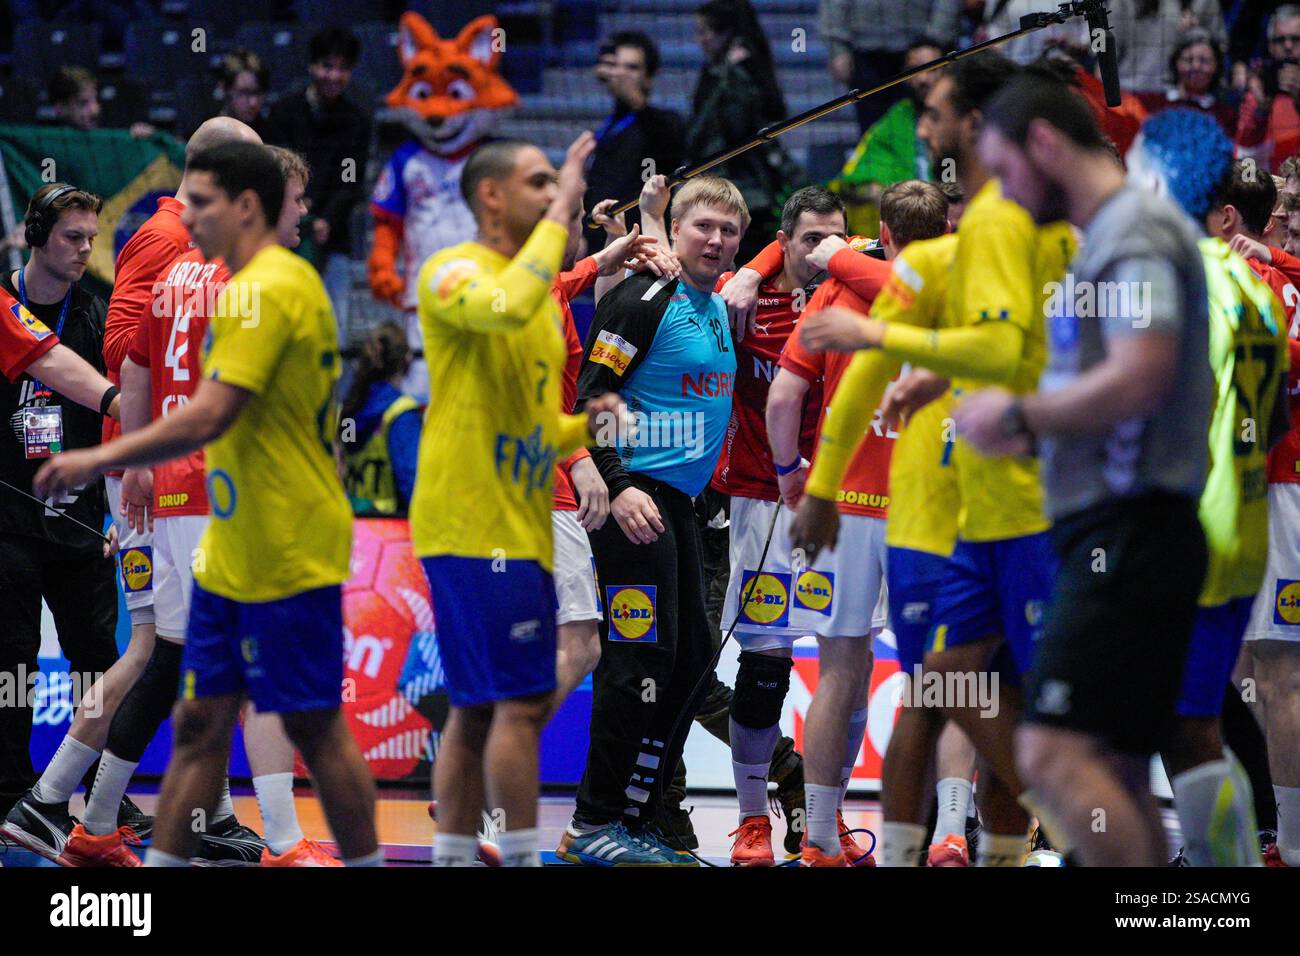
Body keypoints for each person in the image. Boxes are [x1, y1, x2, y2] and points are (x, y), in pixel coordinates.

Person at [34, 141, 382, 868]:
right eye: (299, 197)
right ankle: (107, 825)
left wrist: (118, 460)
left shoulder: (213, 278)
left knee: (204, 692)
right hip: (232, 518)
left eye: (199, 200)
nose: (182, 212)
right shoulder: (247, 279)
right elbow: (192, 394)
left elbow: (157, 376)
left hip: (235, 513)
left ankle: (90, 818)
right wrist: (123, 460)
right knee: (215, 697)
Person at [794, 53, 1076, 868]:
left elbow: (995, 349)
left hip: (1022, 510)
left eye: (938, 109)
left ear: (982, 126)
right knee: (933, 694)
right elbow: (861, 389)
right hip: (939, 517)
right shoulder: (943, 255)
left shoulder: (1034, 237)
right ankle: (926, 848)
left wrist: (876, 332)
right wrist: (819, 486)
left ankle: (1061, 815)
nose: (923, 125)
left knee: (975, 695)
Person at [953, 80, 1213, 867]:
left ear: (1042, 145)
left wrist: (1021, 415)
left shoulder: (1132, 230)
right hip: (1122, 528)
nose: (1000, 195)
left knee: (1053, 756)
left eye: (1003, 171)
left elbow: (1142, 374)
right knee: (1116, 766)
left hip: (1130, 531)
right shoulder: (1106, 232)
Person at [414, 133, 623, 867]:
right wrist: (567, 204)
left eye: (553, 183)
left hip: (527, 521)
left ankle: (450, 855)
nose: (551, 193)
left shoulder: (542, 304)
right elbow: (503, 305)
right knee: (521, 702)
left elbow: (537, 421)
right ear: (491, 196)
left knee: (477, 709)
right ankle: (527, 855)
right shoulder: (452, 271)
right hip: (468, 526)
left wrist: (585, 425)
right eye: (537, 182)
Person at [559, 175, 743, 866]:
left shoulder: (718, 306)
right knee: (639, 661)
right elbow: (591, 394)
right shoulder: (644, 297)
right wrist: (615, 482)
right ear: (679, 232)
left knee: (691, 663)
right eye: (703, 227)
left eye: (728, 231)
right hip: (632, 502)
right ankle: (593, 821)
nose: (716, 240)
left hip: (680, 508)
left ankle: (643, 816)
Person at [1150, 148, 1288, 867]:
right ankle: (1261, 834)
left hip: (1206, 507)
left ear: (1223, 215)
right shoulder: (1267, 283)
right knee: (1227, 678)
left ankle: (1234, 845)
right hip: (1251, 505)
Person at [0, 184, 128, 853]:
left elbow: (117, 423)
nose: (84, 250)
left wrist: (124, 507)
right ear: (35, 236)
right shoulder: (1, 302)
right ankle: (12, 796)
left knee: (99, 662)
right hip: (7, 520)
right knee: (11, 658)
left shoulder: (98, 320)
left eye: (91, 238)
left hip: (80, 520)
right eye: (72, 237)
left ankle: (107, 797)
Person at [266, 27, 372, 340]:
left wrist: (327, 219)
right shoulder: (284, 112)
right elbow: (276, 168)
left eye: (343, 68)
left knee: (333, 329)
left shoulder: (357, 122)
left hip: (333, 240)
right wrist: (298, 207)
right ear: (312, 66)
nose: (334, 76)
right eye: (327, 66)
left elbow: (350, 180)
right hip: (284, 237)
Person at [582, 32, 687, 253]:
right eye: (616, 66)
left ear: (648, 77)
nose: (620, 73)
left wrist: (633, 97)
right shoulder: (610, 126)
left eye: (632, 67)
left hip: (640, 245)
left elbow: (667, 147)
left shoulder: (665, 124)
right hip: (600, 241)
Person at [832, 37, 944, 236]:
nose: (923, 78)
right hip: (907, 220)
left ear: (947, 72)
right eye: (916, 70)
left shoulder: (962, 116)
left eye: (933, 68)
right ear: (906, 75)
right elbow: (856, 177)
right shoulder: (896, 118)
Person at [820, 0, 963, 132]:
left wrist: (934, 41)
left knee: (929, 123)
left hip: (921, 49)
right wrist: (837, 45)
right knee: (873, 131)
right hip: (865, 52)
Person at [340, 322, 422, 518]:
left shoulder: (350, 409)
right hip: (392, 528)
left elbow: (346, 455)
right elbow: (409, 477)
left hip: (354, 525)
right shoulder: (401, 414)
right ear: (407, 360)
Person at [1136, 29, 1237, 136]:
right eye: (1188, 60)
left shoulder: (1226, 117)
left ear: (1217, 67)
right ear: (1176, 63)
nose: (1196, 67)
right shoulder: (1151, 104)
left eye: (1205, 61)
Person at [1237, 5, 1300, 171]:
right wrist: (1261, 111)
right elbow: (1245, 158)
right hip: (1271, 185)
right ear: (1270, 46)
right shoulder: (1258, 90)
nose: (1288, 46)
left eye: (1296, 39)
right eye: (1280, 40)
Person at [217, 49, 271, 138]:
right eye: (243, 93)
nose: (253, 103)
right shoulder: (205, 135)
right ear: (225, 90)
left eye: (258, 93)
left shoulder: (277, 135)